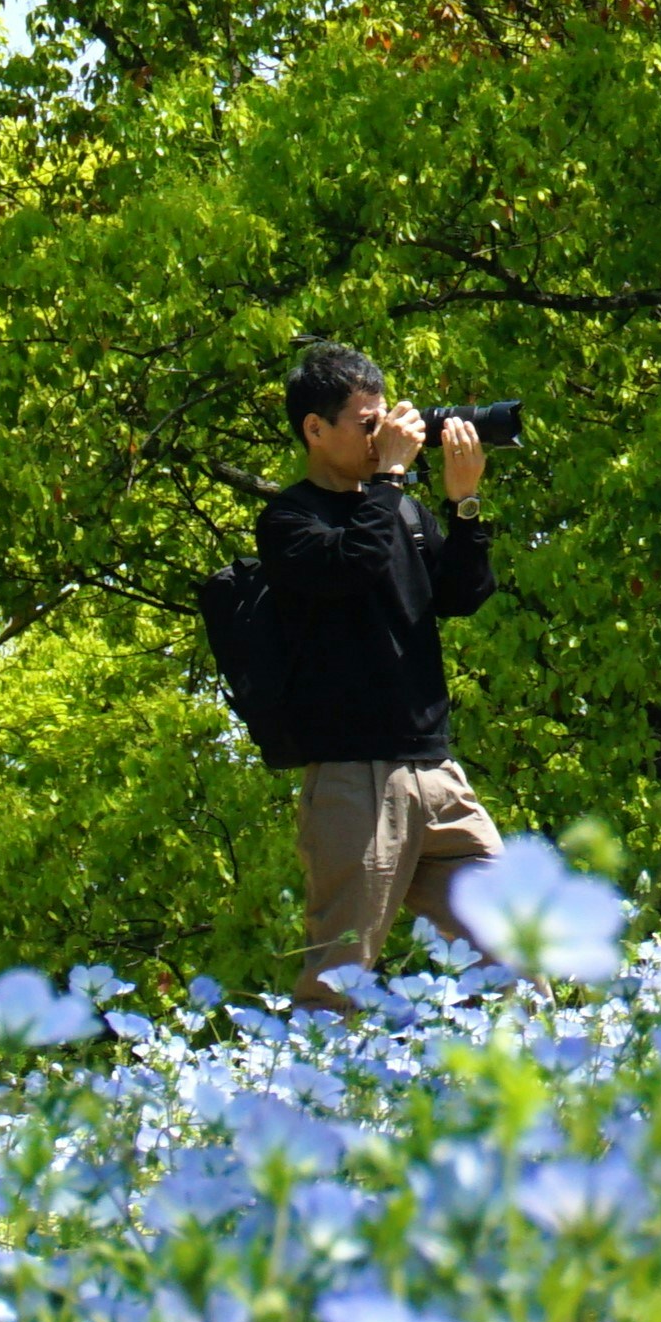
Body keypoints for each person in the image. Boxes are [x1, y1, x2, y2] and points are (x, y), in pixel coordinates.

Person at [261, 340, 500, 1012]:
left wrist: (464, 504)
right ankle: (302, 1109)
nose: (384, 437)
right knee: (341, 977)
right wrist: (391, 478)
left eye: (384, 421)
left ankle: (545, 1099)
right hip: (353, 780)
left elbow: (461, 594)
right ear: (315, 429)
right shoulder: (289, 521)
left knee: (513, 951)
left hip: (437, 773)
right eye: (367, 425)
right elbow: (351, 567)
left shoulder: (397, 509)